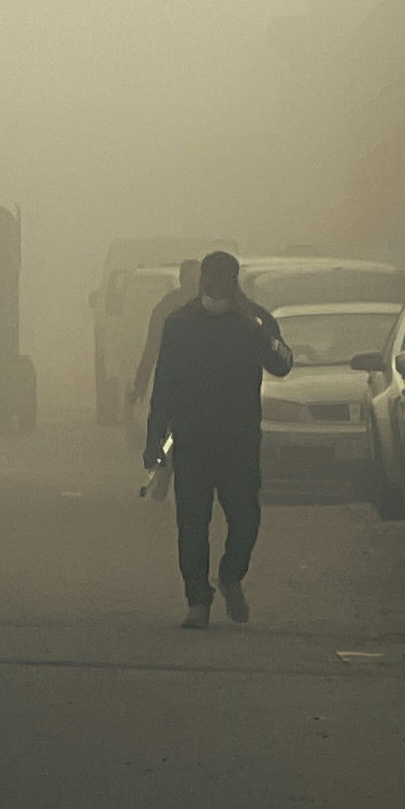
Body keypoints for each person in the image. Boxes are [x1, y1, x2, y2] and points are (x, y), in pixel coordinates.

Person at [142, 250, 291, 627]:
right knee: (192, 524)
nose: (217, 286)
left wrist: (262, 334)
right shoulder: (180, 323)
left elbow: (283, 365)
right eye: (211, 278)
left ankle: (230, 576)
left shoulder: (253, 321)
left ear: (234, 281)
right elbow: (164, 385)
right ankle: (197, 601)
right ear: (201, 281)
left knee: (246, 518)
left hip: (239, 441)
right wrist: (154, 438)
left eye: (225, 279)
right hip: (192, 441)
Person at [127, 257, 200, 421]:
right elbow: (152, 347)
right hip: (179, 382)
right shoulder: (167, 307)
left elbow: (151, 348)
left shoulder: (167, 306)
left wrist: (140, 386)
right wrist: (140, 386)